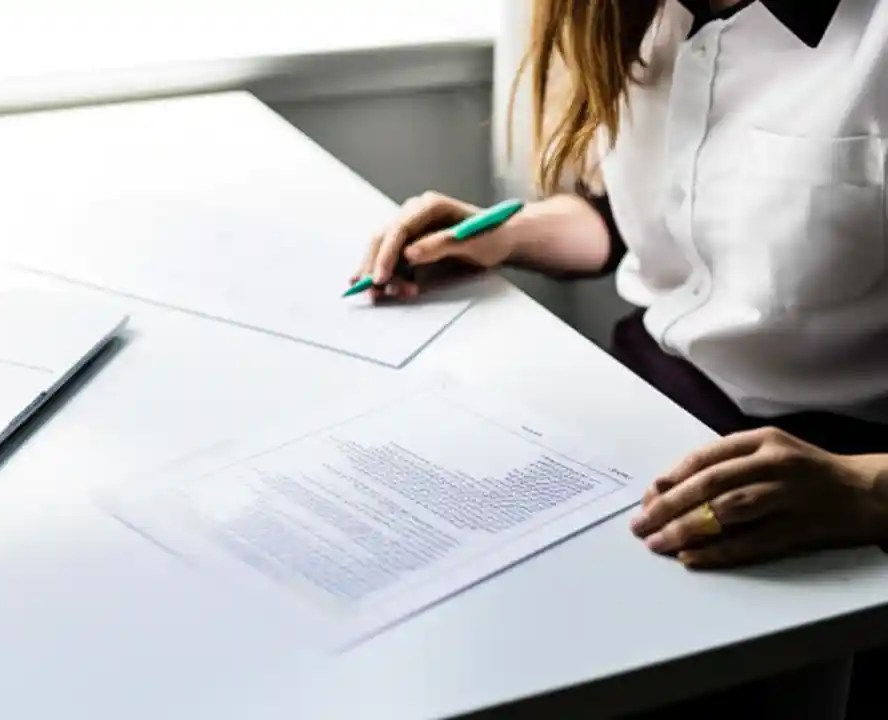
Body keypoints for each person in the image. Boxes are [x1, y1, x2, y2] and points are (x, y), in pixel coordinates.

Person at [353, 0, 888, 716]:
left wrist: (865, 490)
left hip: (825, 475)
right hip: (638, 419)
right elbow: (635, 224)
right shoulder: (624, 10)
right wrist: (509, 235)